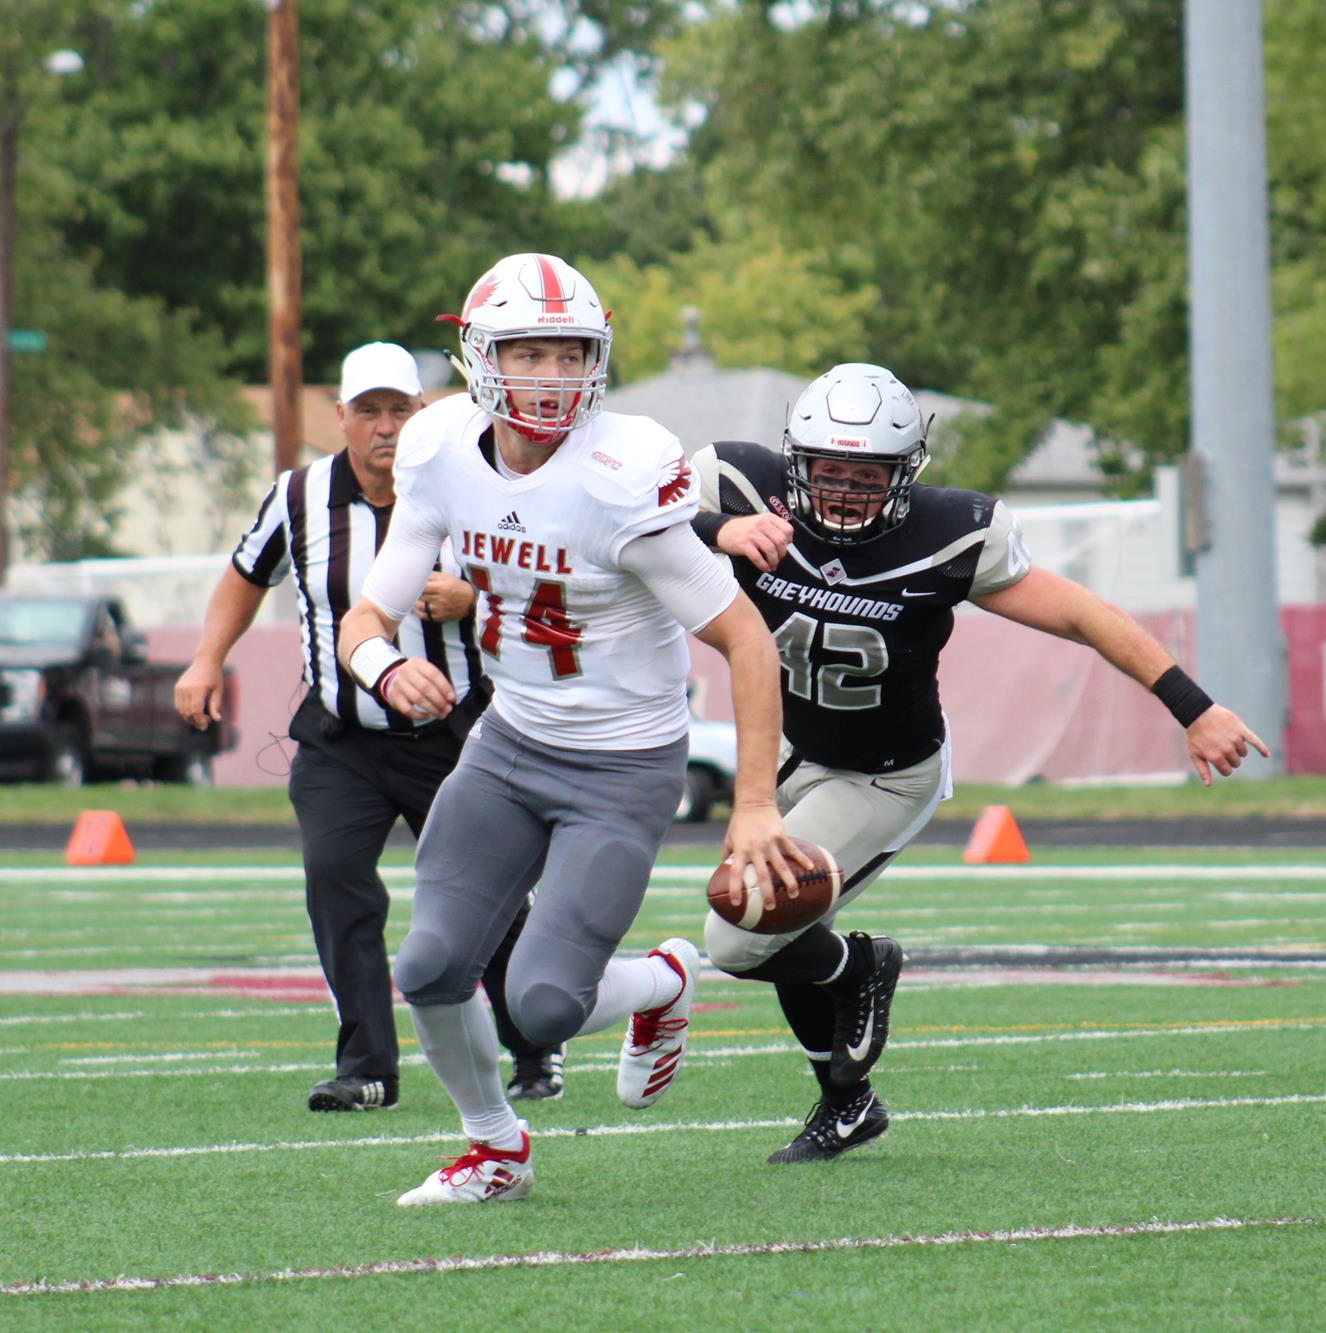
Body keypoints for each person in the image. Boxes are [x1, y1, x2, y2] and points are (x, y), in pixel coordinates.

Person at [688, 362, 1270, 1165]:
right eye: (830, 471)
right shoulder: (738, 487)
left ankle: (862, 965)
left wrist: (1194, 706)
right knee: (788, 917)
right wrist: (713, 529)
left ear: (906, 473)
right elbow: (626, 517)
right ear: (795, 463)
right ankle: (848, 1103)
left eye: (869, 475)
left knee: (739, 933)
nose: (849, 491)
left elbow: (1082, 613)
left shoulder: (948, 532)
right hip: (791, 755)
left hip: (886, 773)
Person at [335, 253, 803, 1206]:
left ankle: (666, 982)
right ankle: (494, 1147)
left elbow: (748, 643)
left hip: (622, 766)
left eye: (569, 354)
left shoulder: (618, 474)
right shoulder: (437, 451)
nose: (550, 376)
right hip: (508, 746)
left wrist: (754, 805)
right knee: (426, 963)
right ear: (479, 356)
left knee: (543, 1003)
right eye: (529, 352)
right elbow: (364, 618)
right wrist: (390, 669)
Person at [175, 341, 564, 1114]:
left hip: (452, 734)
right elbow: (246, 576)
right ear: (341, 416)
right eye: (369, 411)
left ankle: (530, 1044)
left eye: (399, 410)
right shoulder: (297, 496)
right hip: (341, 735)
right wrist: (204, 660)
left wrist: (474, 601)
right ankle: (367, 1066)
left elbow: (544, 593)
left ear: (422, 415)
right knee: (336, 879)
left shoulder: (470, 485)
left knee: (484, 891)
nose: (385, 427)